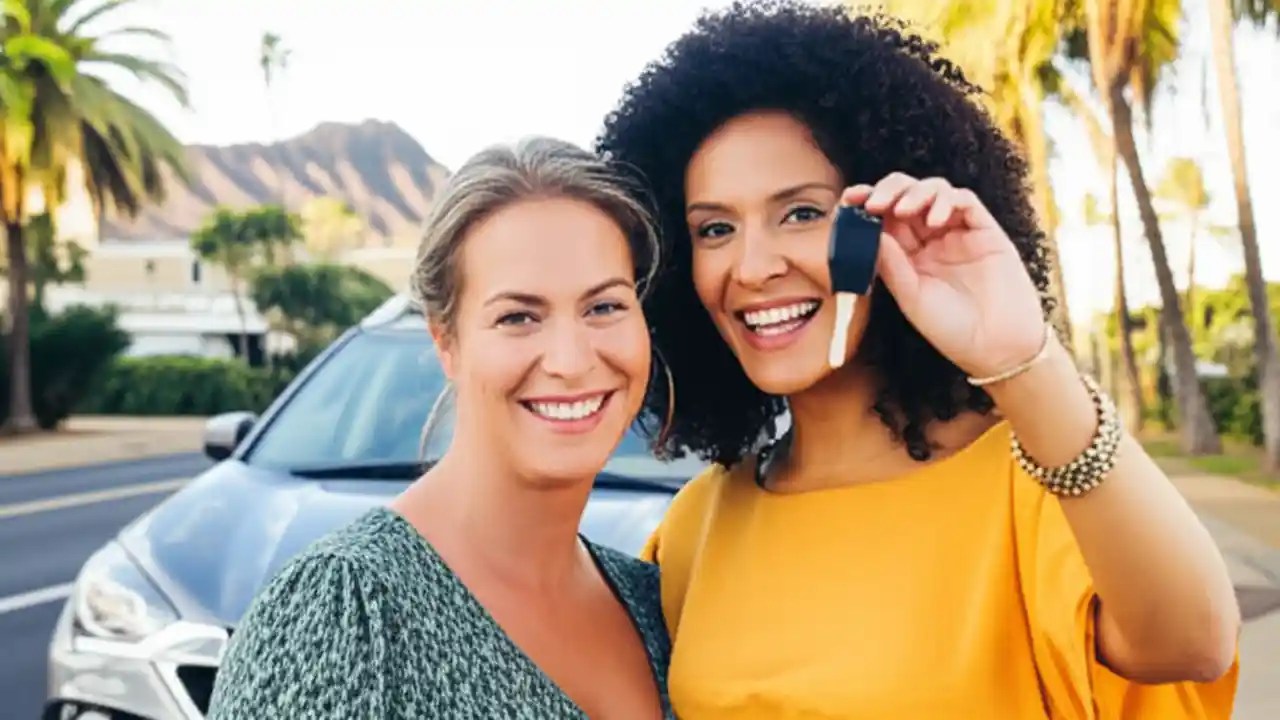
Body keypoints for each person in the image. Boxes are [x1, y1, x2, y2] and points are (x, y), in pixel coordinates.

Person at [595, 1, 1241, 717]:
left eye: (802, 213)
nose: (751, 267)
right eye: (715, 229)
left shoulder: (1031, 485)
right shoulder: (698, 523)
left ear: (885, 222)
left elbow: (1194, 643)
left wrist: (1022, 358)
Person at [207, 137, 673, 719]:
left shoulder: (651, 601)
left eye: (603, 307)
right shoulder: (344, 609)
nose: (571, 359)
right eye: (518, 317)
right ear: (445, 342)